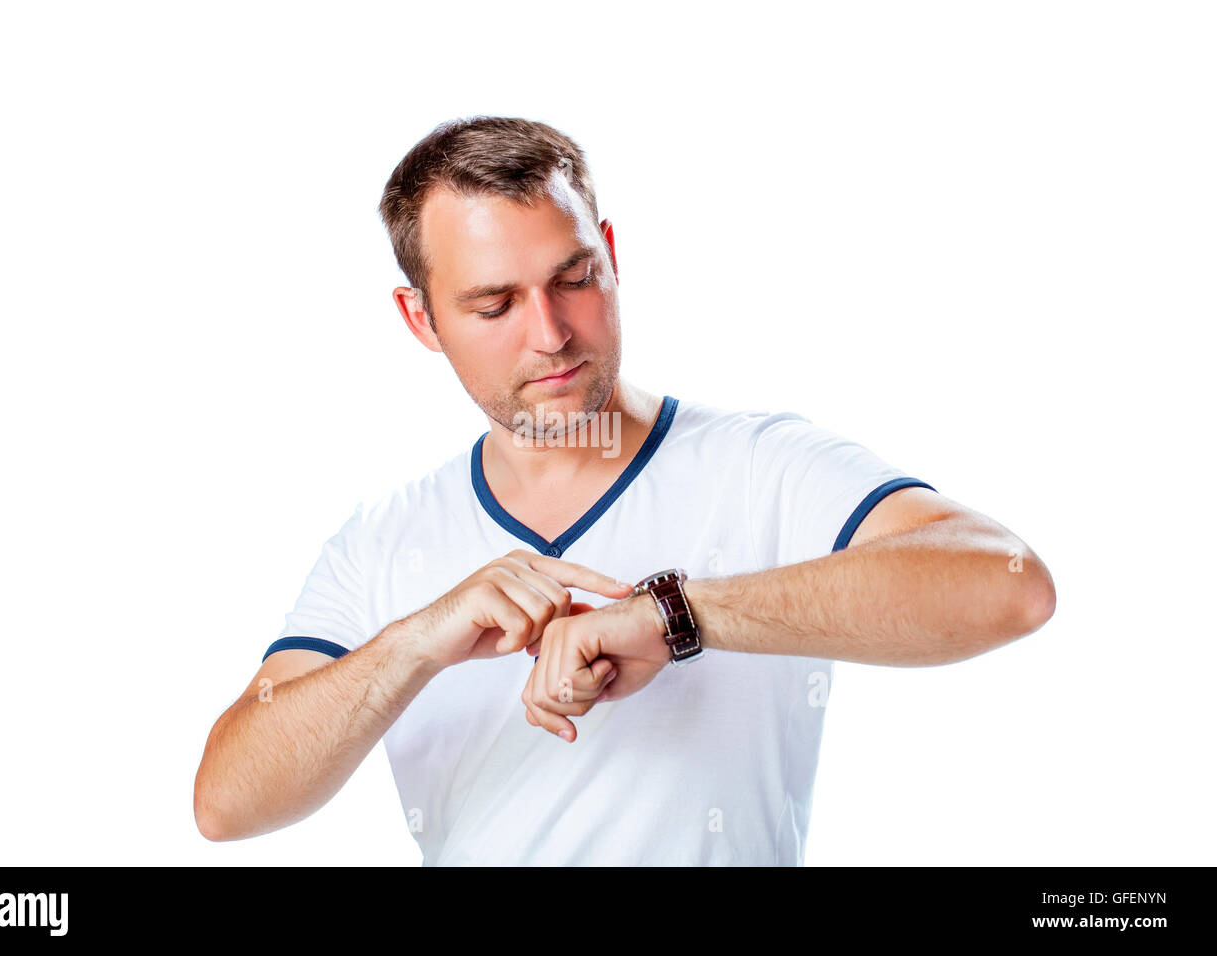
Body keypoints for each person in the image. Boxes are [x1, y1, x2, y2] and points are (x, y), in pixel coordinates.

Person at [192, 115, 1056, 865]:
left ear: (610, 254)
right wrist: (420, 641)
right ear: (420, 319)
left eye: (573, 279)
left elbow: (1007, 583)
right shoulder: (384, 541)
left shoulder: (761, 467)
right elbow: (228, 804)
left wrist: (671, 616)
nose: (553, 333)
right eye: (494, 306)